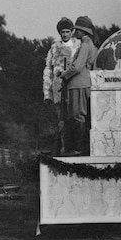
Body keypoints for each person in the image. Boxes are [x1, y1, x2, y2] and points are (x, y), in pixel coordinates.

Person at [62, 15, 99, 155]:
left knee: (78, 115)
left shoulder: (85, 45)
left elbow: (77, 67)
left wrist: (64, 75)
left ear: (82, 31)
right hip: (83, 83)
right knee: (81, 115)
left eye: (76, 29)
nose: (74, 32)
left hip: (78, 84)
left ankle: (79, 149)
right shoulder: (91, 45)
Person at [42, 17, 78, 154]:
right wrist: (47, 93)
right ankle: (62, 149)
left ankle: (74, 148)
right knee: (61, 120)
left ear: (72, 32)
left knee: (74, 117)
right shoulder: (54, 48)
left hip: (73, 86)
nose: (64, 35)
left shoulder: (77, 46)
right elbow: (48, 70)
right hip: (58, 89)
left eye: (67, 31)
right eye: (62, 32)